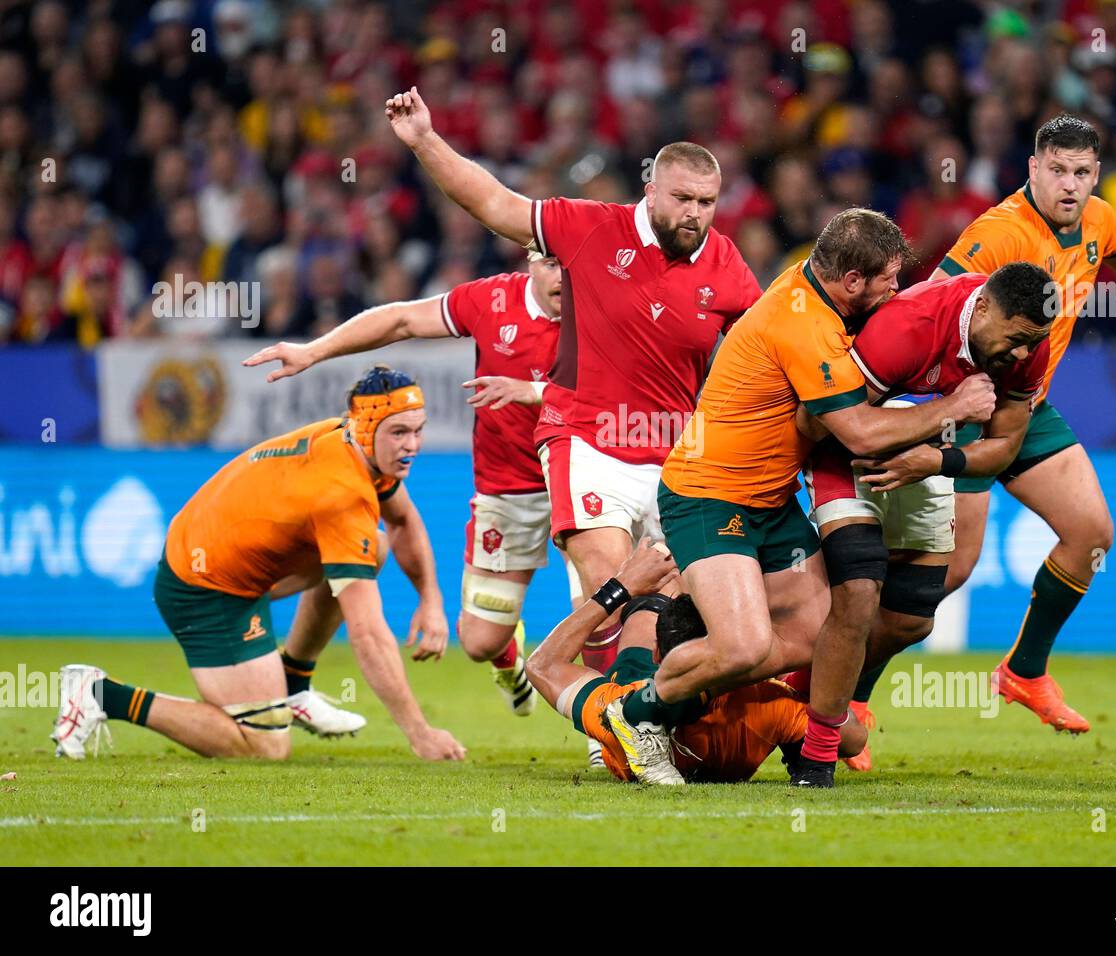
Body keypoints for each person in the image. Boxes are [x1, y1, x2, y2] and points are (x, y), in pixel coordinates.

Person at [382, 87, 762, 692]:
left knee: (666, 605)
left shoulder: (725, 263)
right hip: (588, 442)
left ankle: (625, 717)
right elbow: (492, 202)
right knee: (613, 588)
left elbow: (763, 351)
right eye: (684, 199)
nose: (695, 213)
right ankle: (612, 733)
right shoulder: (587, 228)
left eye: (708, 202)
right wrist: (426, 140)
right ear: (652, 191)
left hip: (674, 455)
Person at [603, 208, 994, 784]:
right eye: (889, 278)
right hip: (710, 499)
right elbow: (857, 432)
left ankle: (772, 726)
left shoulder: (818, 295)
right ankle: (633, 712)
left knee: (818, 636)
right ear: (853, 281)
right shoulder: (803, 324)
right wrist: (952, 409)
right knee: (743, 647)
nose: (898, 290)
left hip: (770, 500)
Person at [934, 115, 1116, 732]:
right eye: (1056, 170)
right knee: (949, 571)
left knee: (1090, 533)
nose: (1069, 184)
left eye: (1082, 172)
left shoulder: (1093, 219)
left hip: (1026, 408)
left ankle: (1024, 671)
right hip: (969, 410)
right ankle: (846, 698)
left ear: (1095, 175)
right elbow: (932, 301)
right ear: (1032, 169)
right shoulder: (1000, 234)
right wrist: (948, 402)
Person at [51, 366, 466, 763]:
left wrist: (430, 600)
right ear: (368, 428)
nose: (412, 444)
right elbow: (368, 635)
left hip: (224, 554)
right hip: (202, 586)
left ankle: (293, 687)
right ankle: (99, 694)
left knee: (369, 548)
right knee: (263, 744)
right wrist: (419, 732)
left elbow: (403, 520)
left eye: (417, 430)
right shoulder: (342, 494)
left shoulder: (354, 443)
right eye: (399, 432)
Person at [245, 254, 565, 721]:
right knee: (478, 641)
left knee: (602, 602)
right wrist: (314, 350)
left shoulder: (604, 298)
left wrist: (533, 393)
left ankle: (608, 732)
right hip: (510, 485)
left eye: (569, 262)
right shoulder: (492, 300)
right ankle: (508, 655)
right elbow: (399, 319)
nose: (563, 275)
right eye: (550, 262)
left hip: (585, 471)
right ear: (529, 260)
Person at [795, 262, 1055, 786]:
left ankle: (797, 692)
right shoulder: (908, 324)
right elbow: (831, 422)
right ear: (982, 307)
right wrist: (949, 411)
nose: (1024, 355)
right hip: (842, 455)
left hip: (925, 456)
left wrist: (935, 462)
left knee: (913, 618)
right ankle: (815, 753)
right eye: (1017, 339)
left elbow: (1003, 446)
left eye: (1034, 343)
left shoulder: (1030, 345)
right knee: (858, 590)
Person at [524, 541, 867, 783]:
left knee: (660, 586)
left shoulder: (616, 712)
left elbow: (541, 664)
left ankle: (660, 569)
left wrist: (620, 587)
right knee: (680, 576)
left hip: (641, 682)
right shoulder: (765, 706)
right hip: (734, 694)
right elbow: (853, 737)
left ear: (659, 656)